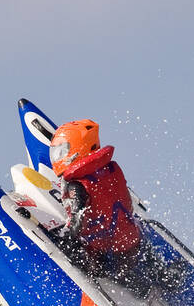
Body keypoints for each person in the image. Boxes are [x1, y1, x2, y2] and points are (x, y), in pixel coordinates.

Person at [48, 118, 146, 288]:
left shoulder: (77, 184)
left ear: (77, 149)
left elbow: (78, 218)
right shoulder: (112, 169)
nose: (59, 156)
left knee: (82, 256)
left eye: (62, 151)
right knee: (130, 268)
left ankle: (95, 285)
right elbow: (128, 202)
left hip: (100, 245)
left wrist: (68, 239)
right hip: (130, 239)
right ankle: (155, 283)